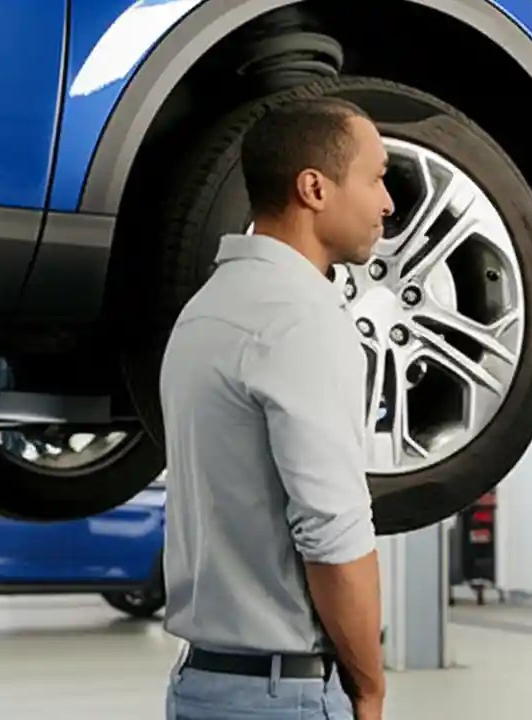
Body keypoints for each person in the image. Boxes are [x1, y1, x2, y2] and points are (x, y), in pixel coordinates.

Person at [159, 96, 394, 720]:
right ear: (314, 188)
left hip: (201, 685)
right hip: (282, 695)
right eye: (376, 178)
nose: (387, 203)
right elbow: (333, 536)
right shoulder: (301, 319)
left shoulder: (206, 310)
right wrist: (369, 689)